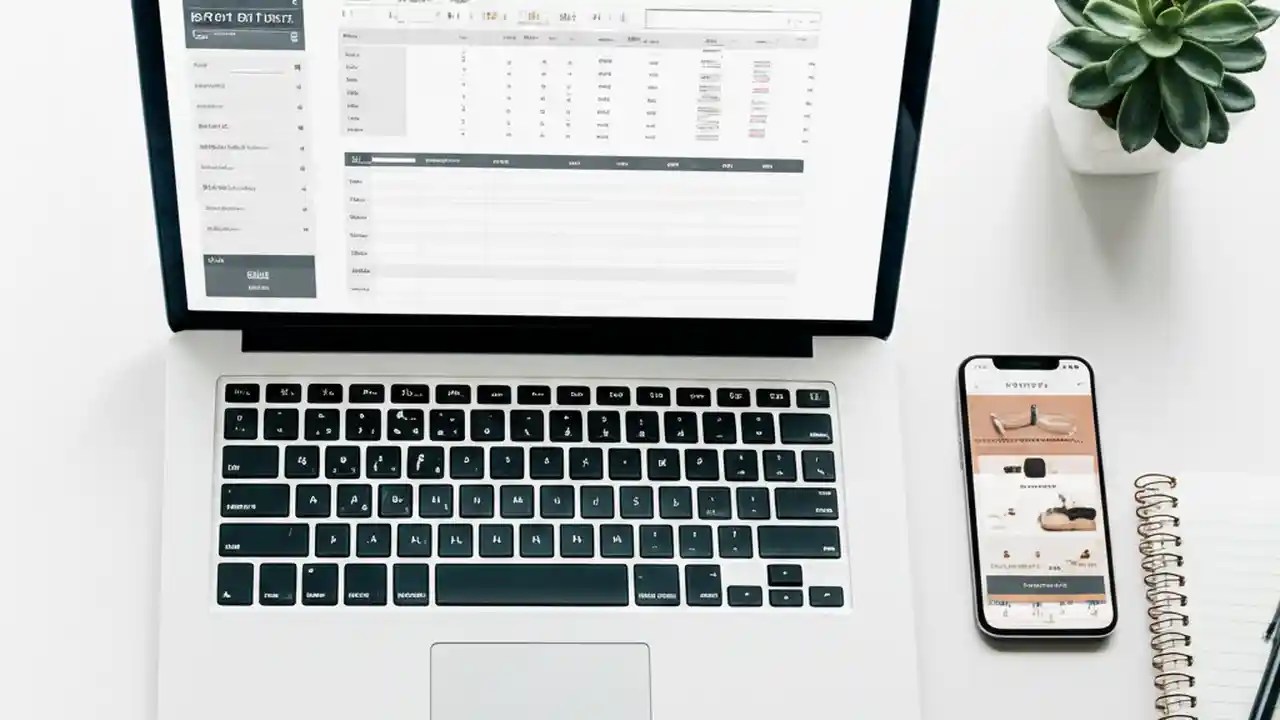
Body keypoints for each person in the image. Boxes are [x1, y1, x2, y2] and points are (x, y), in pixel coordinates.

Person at [990, 403, 1076, 437]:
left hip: (1033, 419)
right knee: (1046, 420)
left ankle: (1068, 428)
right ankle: (1068, 426)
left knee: (1047, 423)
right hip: (1033, 418)